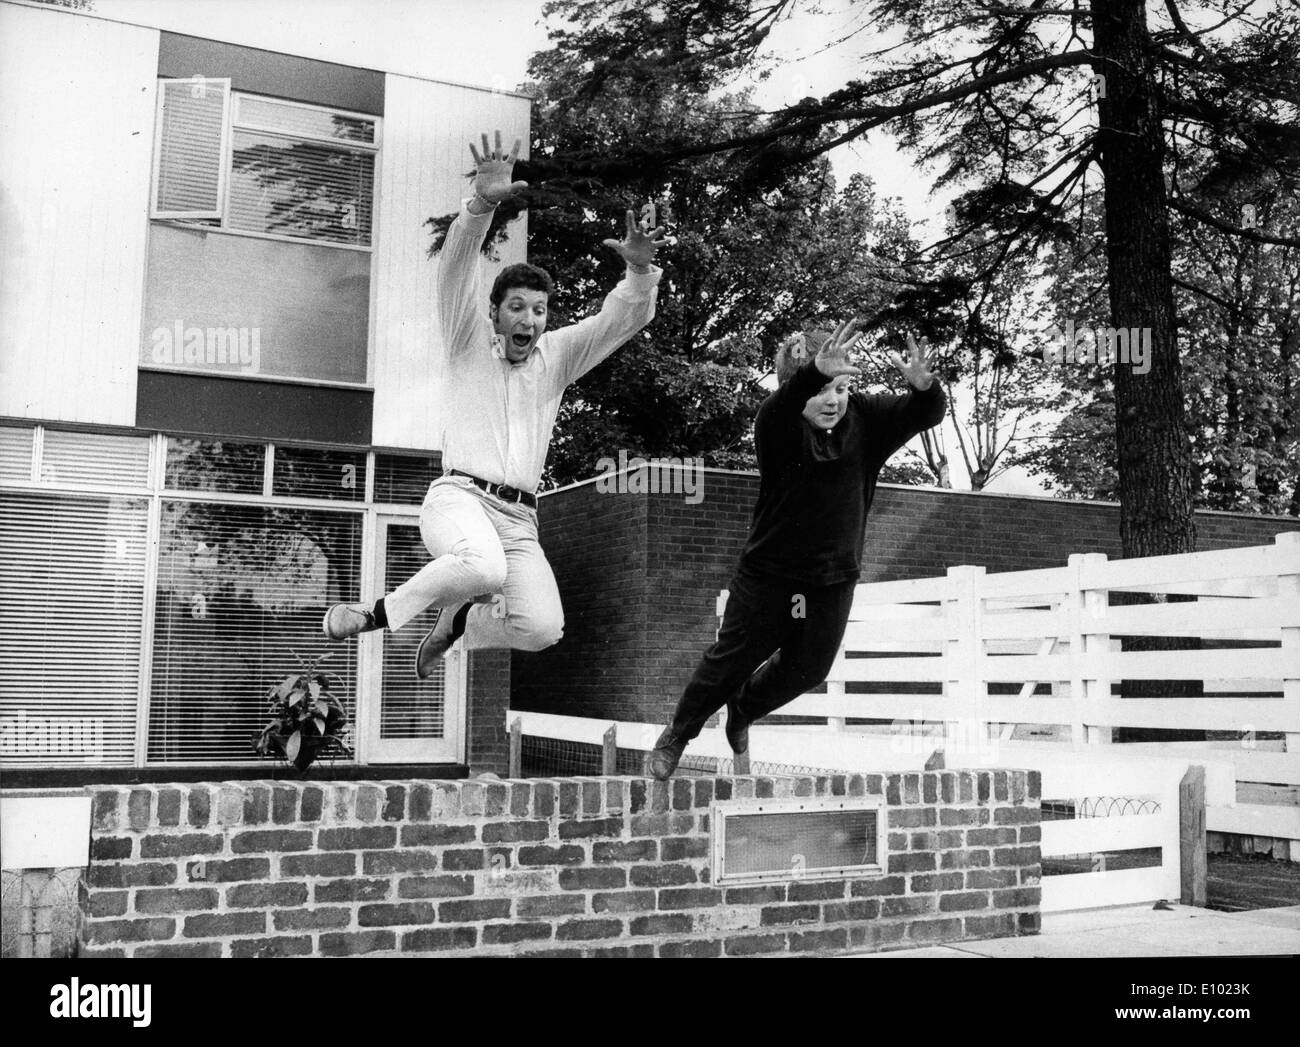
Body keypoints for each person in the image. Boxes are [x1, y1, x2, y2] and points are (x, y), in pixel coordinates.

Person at [323, 131, 666, 677]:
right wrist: (482, 205)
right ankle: (375, 613)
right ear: (495, 313)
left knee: (542, 628)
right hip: (458, 499)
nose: (529, 321)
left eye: (539, 310)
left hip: (519, 518)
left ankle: (457, 623)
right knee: (482, 568)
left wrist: (640, 271)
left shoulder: (557, 356)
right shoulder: (466, 340)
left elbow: (618, 321)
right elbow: (456, 269)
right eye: (517, 309)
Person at [649, 320, 945, 779]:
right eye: (821, 390)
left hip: (832, 580)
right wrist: (813, 372)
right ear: (796, 388)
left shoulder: (864, 419)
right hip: (770, 576)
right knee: (730, 663)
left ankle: (743, 711)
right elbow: (779, 407)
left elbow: (923, 413)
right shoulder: (778, 426)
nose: (833, 402)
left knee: (809, 670)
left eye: (842, 389)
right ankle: (677, 734)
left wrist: (927, 390)